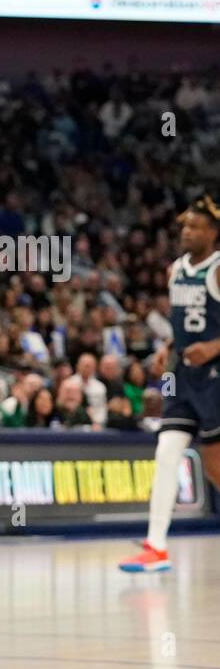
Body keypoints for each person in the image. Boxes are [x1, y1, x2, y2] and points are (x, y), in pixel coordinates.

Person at [120, 197, 220, 572]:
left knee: (214, 466)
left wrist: (214, 345)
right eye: (184, 227)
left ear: (213, 233)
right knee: (166, 452)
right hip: (179, 379)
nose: (187, 233)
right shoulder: (175, 270)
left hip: (214, 378)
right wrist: (168, 345)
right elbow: (183, 321)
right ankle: (156, 546)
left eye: (195, 227)